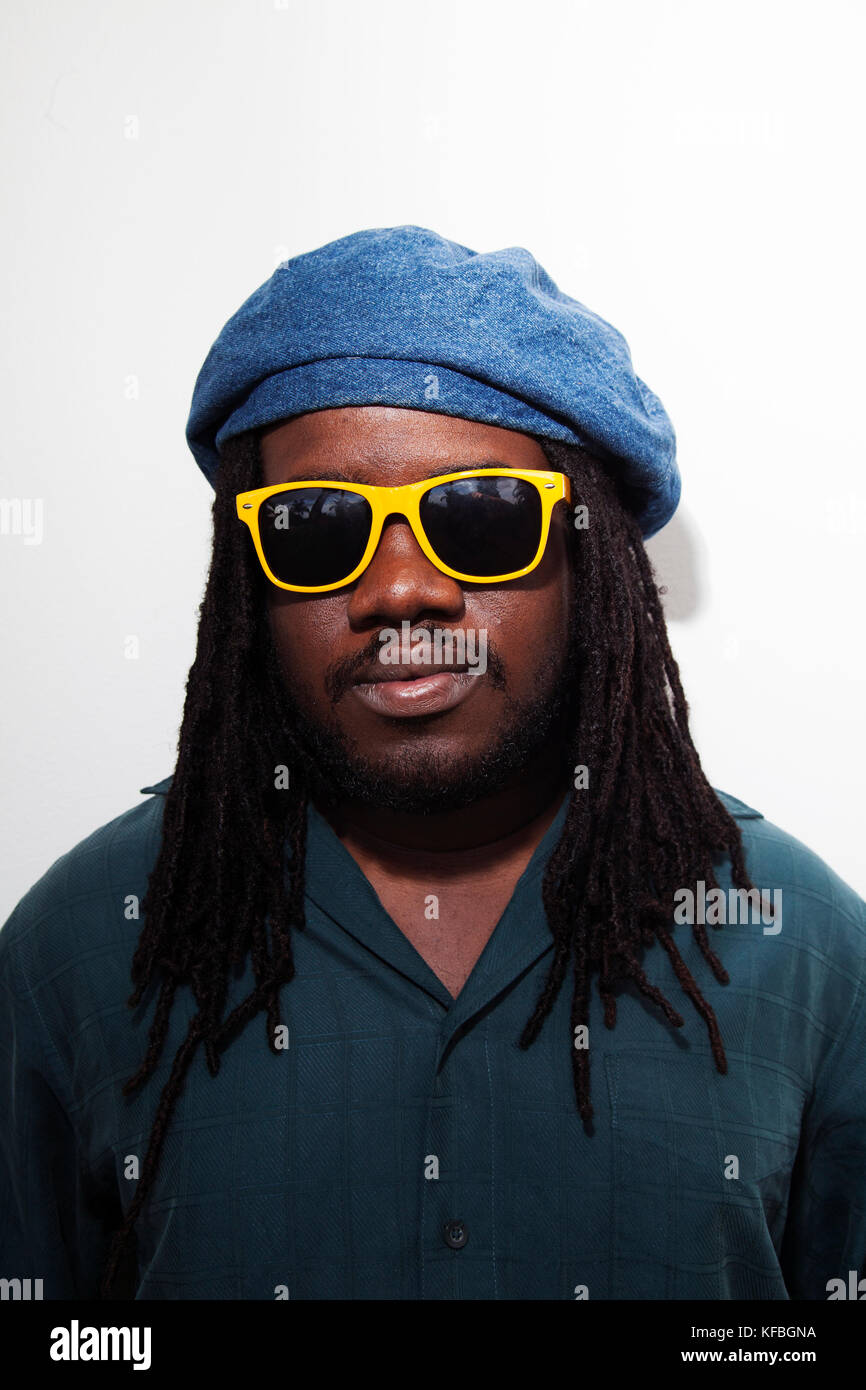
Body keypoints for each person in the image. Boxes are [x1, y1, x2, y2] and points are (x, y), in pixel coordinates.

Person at [1, 226, 864, 1302]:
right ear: (247, 576)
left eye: (478, 519)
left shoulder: (807, 952)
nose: (399, 591)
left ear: (585, 552)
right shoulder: (78, 948)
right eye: (320, 526)